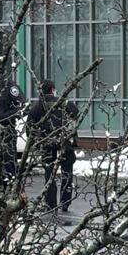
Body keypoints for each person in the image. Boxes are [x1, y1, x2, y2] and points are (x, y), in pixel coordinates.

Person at [27, 80, 79, 215]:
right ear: (53, 89)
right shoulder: (63, 102)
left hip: (47, 144)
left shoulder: (37, 107)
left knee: (49, 174)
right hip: (65, 142)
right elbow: (76, 113)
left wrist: (38, 141)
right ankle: (65, 202)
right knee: (67, 172)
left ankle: (50, 203)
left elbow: (29, 129)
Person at [0, 55, 26, 188]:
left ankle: (11, 192)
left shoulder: (8, 86)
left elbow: (21, 106)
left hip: (5, 132)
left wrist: (6, 118)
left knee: (8, 164)